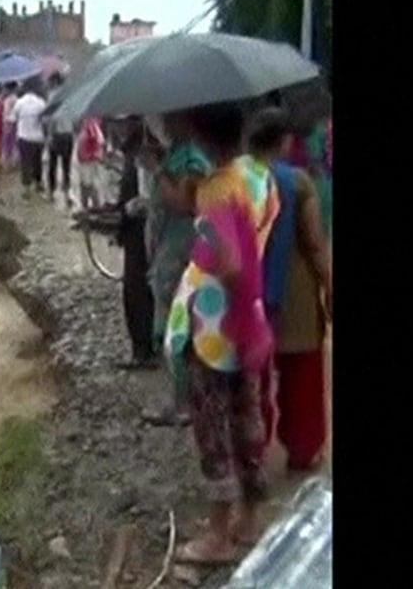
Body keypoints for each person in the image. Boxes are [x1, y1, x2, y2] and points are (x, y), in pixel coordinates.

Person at [163, 101, 275, 565]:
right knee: (245, 417)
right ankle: (250, 519)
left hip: (216, 325)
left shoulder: (214, 190)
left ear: (200, 134)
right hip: (250, 318)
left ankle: (218, 536)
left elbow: (226, 260)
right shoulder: (256, 176)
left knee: (212, 428)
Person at [249, 108, 332, 473]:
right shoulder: (297, 182)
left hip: (248, 295)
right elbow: (314, 245)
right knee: (301, 375)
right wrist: (329, 284)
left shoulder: (236, 181)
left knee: (254, 379)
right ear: (284, 141)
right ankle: (302, 450)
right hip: (295, 296)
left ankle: (252, 450)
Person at [141, 112, 206, 426]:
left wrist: (156, 171)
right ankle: (180, 398)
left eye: (171, 119)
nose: (164, 125)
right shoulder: (176, 154)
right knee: (169, 326)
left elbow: (184, 203)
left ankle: (183, 404)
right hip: (167, 248)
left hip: (181, 250)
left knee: (177, 329)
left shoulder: (193, 159)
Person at [116, 116, 156, 366]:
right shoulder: (134, 152)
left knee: (138, 291)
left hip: (142, 233)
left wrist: (132, 210)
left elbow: (146, 195)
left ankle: (144, 350)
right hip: (136, 230)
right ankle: (144, 347)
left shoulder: (143, 152)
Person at [45, 73, 76, 208]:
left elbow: (51, 118)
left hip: (56, 135)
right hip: (68, 134)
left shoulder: (52, 97)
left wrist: (49, 135)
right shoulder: (71, 96)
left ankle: (51, 192)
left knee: (53, 164)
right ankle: (67, 193)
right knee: (66, 165)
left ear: (53, 82)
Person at [11, 85, 47, 198]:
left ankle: (27, 189)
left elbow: (14, 118)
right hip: (38, 138)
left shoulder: (19, 103)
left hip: (24, 137)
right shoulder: (41, 103)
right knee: (37, 162)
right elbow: (45, 119)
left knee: (26, 163)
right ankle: (38, 183)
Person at [75, 116, 106, 209]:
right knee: (86, 182)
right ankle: (87, 204)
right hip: (86, 158)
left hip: (88, 158)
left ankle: (94, 204)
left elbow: (98, 140)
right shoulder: (88, 123)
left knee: (88, 183)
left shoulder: (91, 124)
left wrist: (93, 153)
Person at [1, 82, 20, 169]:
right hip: (12, 123)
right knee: (12, 143)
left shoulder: (11, 99)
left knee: (8, 143)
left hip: (9, 123)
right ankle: (12, 162)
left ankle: (9, 163)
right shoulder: (13, 99)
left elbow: (8, 113)